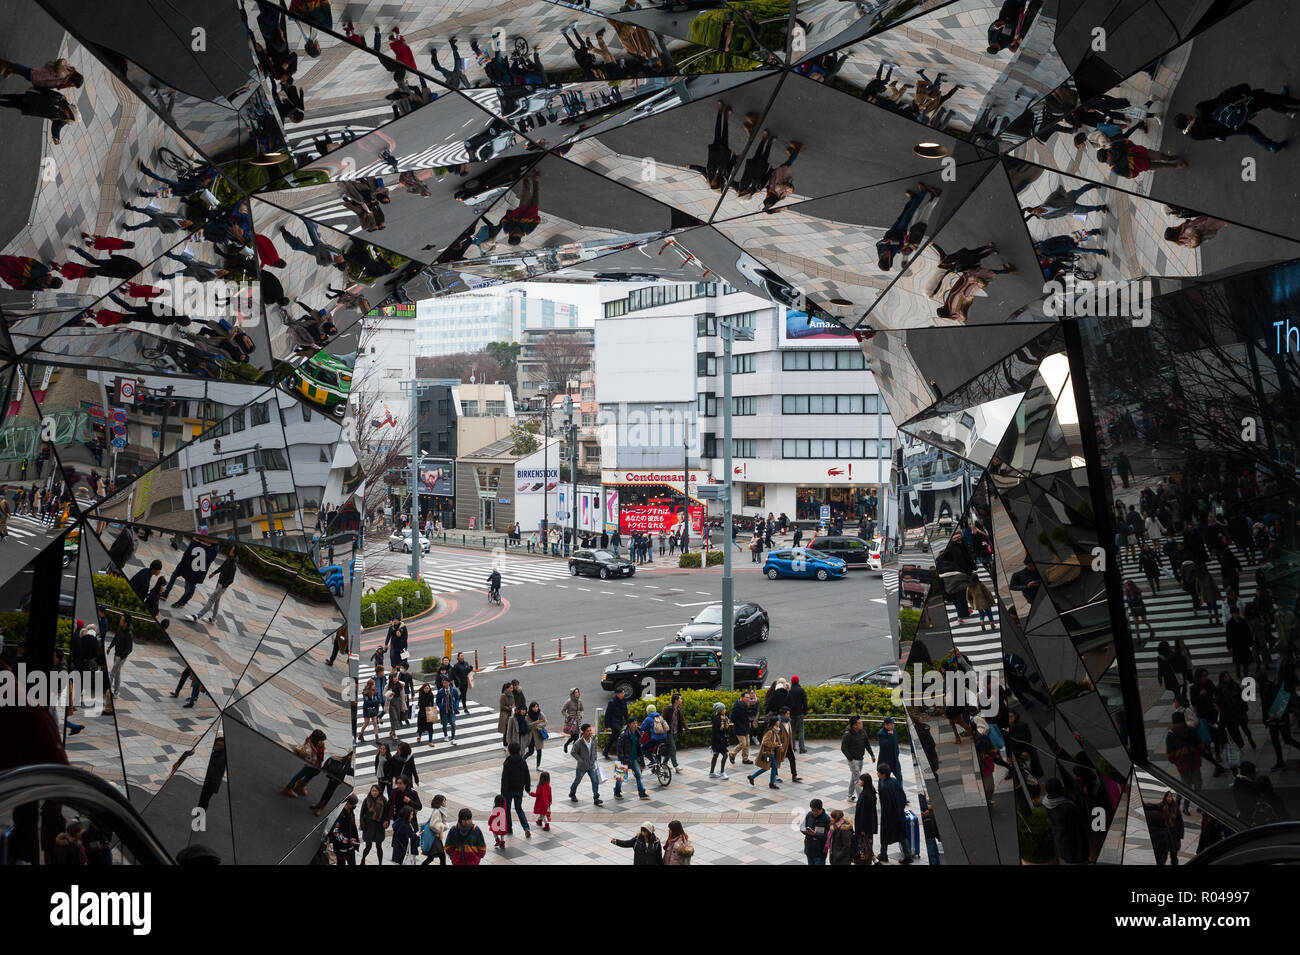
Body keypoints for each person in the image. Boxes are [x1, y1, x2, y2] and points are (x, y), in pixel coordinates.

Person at [1174, 84, 1299, 152]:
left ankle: (1271, 146)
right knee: (1267, 99)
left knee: (1252, 130)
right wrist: (1242, 88)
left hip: (1232, 126)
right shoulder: (1200, 111)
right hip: (1238, 106)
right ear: (1187, 118)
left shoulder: (1192, 135)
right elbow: (1220, 100)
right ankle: (1290, 105)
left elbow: (1214, 135)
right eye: (1186, 115)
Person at [1042, 778, 1089, 864]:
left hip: (1061, 843)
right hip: (1074, 843)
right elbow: (1080, 822)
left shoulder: (1046, 803)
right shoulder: (1067, 806)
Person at [877, 764, 914, 863]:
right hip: (899, 813)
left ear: (883, 774)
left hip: (889, 815)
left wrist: (885, 816)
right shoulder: (895, 781)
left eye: (878, 772)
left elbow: (886, 804)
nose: (877, 774)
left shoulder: (884, 787)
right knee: (902, 835)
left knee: (884, 835)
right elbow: (903, 796)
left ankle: (883, 854)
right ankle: (908, 855)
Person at [500, 742, 533, 839]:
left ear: (509, 751)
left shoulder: (507, 762)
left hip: (508, 790)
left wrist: (503, 793)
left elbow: (504, 779)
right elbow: (527, 775)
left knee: (507, 809)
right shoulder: (523, 761)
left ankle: (509, 828)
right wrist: (527, 788)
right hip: (519, 789)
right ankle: (526, 828)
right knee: (519, 808)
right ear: (519, 750)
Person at [841, 716, 876, 801]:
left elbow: (867, 744)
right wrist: (851, 759)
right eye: (860, 723)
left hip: (860, 759)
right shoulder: (848, 734)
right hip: (853, 760)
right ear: (854, 726)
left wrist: (872, 755)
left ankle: (849, 795)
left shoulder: (862, 732)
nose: (862, 724)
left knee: (854, 777)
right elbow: (843, 748)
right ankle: (861, 798)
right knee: (858, 779)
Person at [568, 723, 603, 804]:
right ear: (583, 732)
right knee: (577, 781)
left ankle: (596, 798)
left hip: (591, 765)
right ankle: (572, 793)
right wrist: (580, 760)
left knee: (595, 781)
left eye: (590, 730)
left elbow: (594, 749)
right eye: (588, 731)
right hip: (582, 767)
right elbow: (573, 752)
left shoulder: (593, 739)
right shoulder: (579, 742)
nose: (590, 732)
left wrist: (594, 757)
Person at [614, 719, 649, 800]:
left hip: (634, 759)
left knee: (639, 776)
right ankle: (617, 792)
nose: (636, 725)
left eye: (636, 723)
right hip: (624, 759)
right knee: (620, 778)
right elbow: (619, 748)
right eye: (634, 723)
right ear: (629, 725)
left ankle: (642, 793)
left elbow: (639, 747)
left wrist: (641, 759)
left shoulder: (637, 733)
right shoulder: (624, 735)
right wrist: (621, 759)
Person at [748, 716, 783, 789]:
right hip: (768, 753)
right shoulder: (770, 732)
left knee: (771, 767)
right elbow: (765, 742)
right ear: (775, 722)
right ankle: (770, 783)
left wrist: (779, 745)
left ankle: (754, 777)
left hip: (771, 752)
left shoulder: (775, 731)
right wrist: (775, 744)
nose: (779, 722)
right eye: (778, 721)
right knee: (767, 767)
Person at [106, 613, 133, 697]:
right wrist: (110, 647)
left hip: (121, 657)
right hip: (116, 654)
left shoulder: (129, 634)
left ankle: (107, 691)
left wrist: (122, 657)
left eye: (122, 620)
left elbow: (129, 649)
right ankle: (116, 693)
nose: (120, 621)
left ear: (126, 623)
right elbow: (115, 638)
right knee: (117, 674)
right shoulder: (120, 628)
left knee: (112, 674)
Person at [359, 784, 388, 864]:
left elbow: (386, 813)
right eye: (372, 791)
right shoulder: (366, 800)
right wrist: (362, 825)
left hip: (379, 826)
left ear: (379, 792)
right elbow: (362, 813)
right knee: (368, 846)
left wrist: (386, 821)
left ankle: (380, 862)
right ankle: (363, 859)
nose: (374, 792)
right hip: (369, 825)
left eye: (376, 791)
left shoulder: (383, 800)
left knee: (379, 846)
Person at [854, 773, 878, 864]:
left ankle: (866, 860)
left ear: (864, 782)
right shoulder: (869, 792)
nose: (859, 781)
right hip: (868, 825)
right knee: (867, 844)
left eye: (861, 780)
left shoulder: (866, 795)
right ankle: (868, 859)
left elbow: (864, 814)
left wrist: (862, 829)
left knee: (864, 845)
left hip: (865, 826)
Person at [330, 795, 360, 865]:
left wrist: (355, 840)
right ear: (348, 803)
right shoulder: (339, 814)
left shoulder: (351, 811)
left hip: (351, 845)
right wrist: (346, 840)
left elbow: (353, 827)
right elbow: (335, 831)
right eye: (352, 804)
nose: (353, 806)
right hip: (341, 847)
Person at [420, 795, 449, 865]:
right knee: (441, 856)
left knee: (432, 857)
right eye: (444, 801)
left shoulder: (439, 810)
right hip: (434, 838)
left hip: (435, 838)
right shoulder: (437, 812)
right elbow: (433, 825)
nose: (445, 802)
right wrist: (444, 826)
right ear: (440, 802)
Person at [603, 687, 628, 758]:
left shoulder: (623, 700)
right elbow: (607, 714)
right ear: (617, 694)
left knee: (613, 738)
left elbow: (625, 712)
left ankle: (606, 751)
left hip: (619, 720)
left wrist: (628, 721)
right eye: (622, 693)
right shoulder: (612, 702)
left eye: (623, 693)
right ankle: (620, 754)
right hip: (614, 722)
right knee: (618, 737)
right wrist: (607, 726)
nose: (623, 694)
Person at [524, 700, 547, 768]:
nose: (535, 708)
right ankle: (522, 760)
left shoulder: (540, 714)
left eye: (537, 706)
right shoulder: (528, 715)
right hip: (531, 736)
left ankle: (538, 766)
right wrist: (536, 722)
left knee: (539, 751)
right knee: (531, 751)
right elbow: (528, 725)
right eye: (534, 707)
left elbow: (545, 722)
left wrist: (538, 726)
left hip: (538, 734)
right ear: (531, 708)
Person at [561, 687, 584, 752]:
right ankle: (570, 747)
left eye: (578, 692)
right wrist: (568, 716)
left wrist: (581, 715)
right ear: (572, 693)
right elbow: (563, 711)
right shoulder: (568, 701)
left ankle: (572, 749)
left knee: (576, 736)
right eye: (575, 692)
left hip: (577, 721)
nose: (577, 694)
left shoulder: (580, 701)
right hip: (571, 722)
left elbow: (582, 709)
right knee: (574, 736)